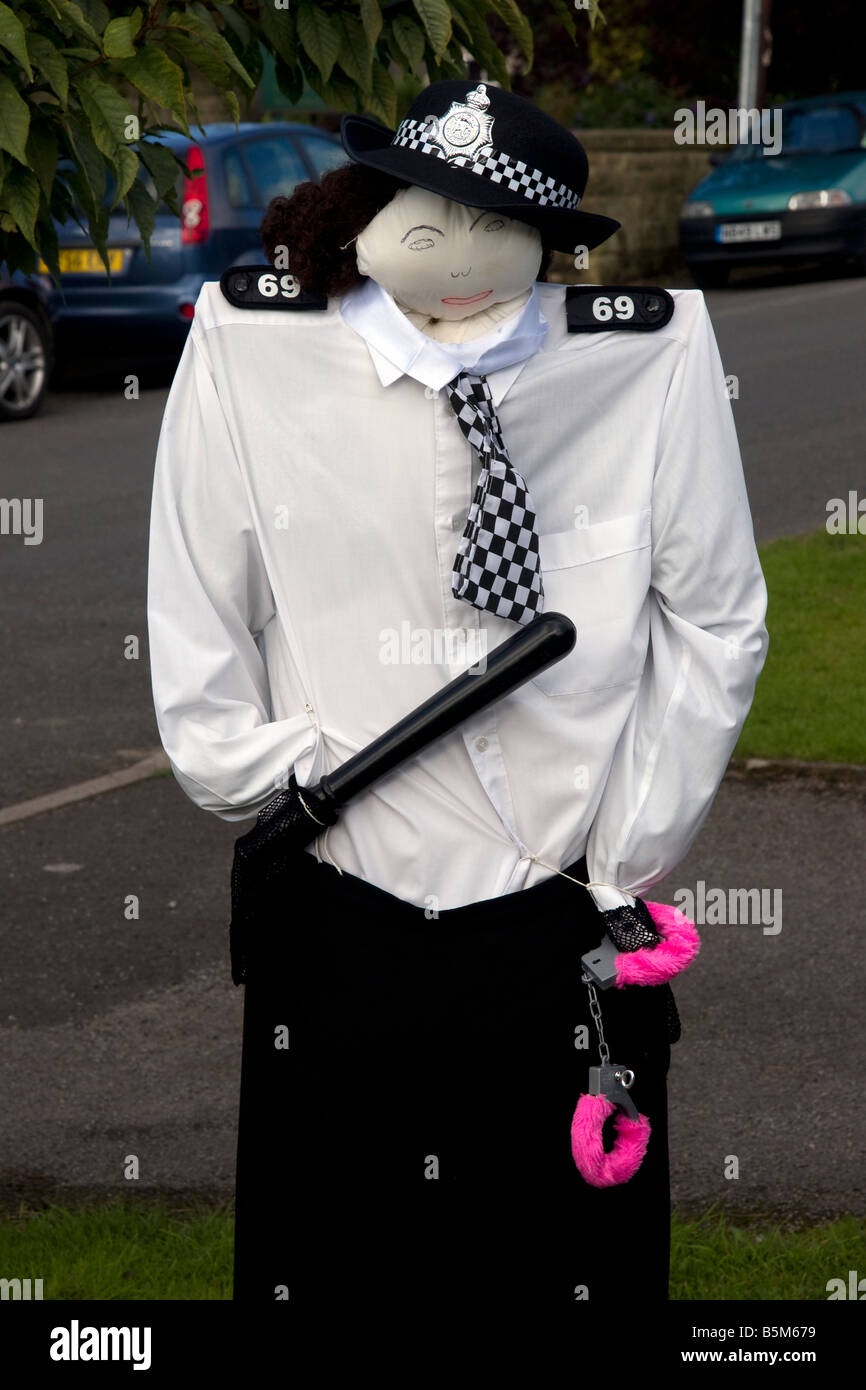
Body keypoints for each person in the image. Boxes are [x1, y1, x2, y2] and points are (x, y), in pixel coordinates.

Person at [146, 80, 769, 1312]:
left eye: (500, 225)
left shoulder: (644, 357)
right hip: (338, 900)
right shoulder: (251, 349)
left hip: (558, 912)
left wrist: (621, 854)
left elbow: (714, 614)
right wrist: (281, 783)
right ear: (369, 210)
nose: (464, 255)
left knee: (555, 1273)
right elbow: (195, 608)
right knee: (335, 1265)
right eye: (432, 216)